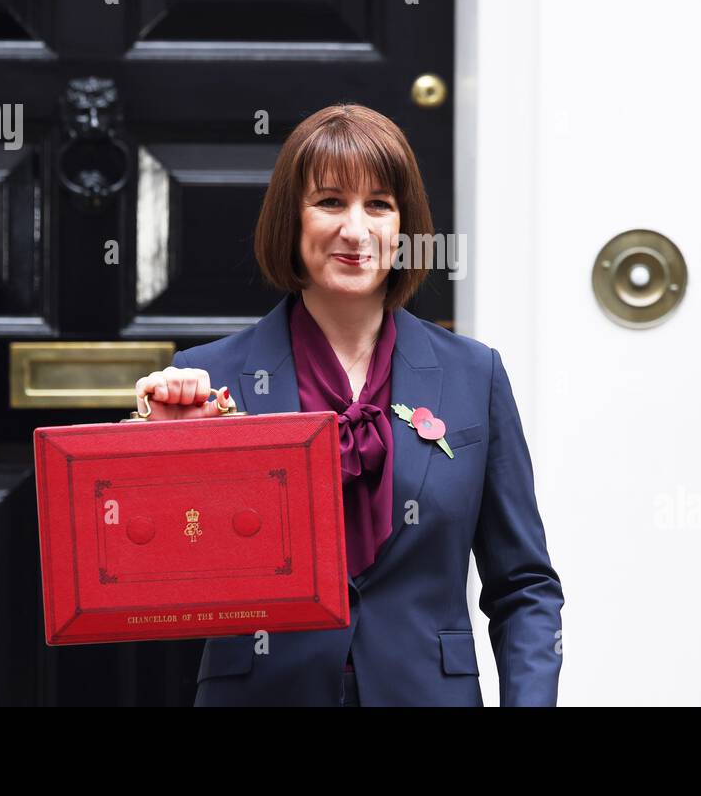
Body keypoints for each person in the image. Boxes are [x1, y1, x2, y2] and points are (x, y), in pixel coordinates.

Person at [134, 103, 563, 706]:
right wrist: (167, 447)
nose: (356, 231)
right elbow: (162, 585)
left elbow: (524, 587)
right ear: (292, 219)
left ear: (403, 227)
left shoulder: (475, 375)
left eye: (379, 205)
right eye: (330, 201)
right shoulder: (209, 379)